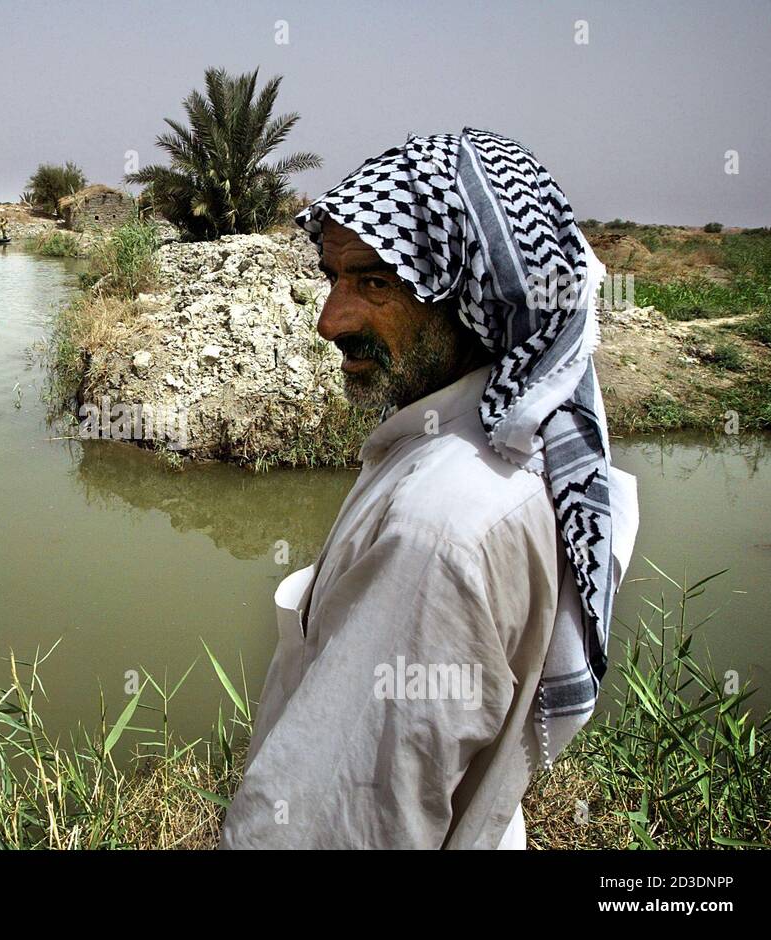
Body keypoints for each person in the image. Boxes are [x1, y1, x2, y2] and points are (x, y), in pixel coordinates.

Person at [219, 128, 639, 849]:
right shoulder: (498, 447)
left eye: (375, 283)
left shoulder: (440, 528)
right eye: (333, 278)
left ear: (481, 301)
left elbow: (333, 828)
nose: (330, 321)